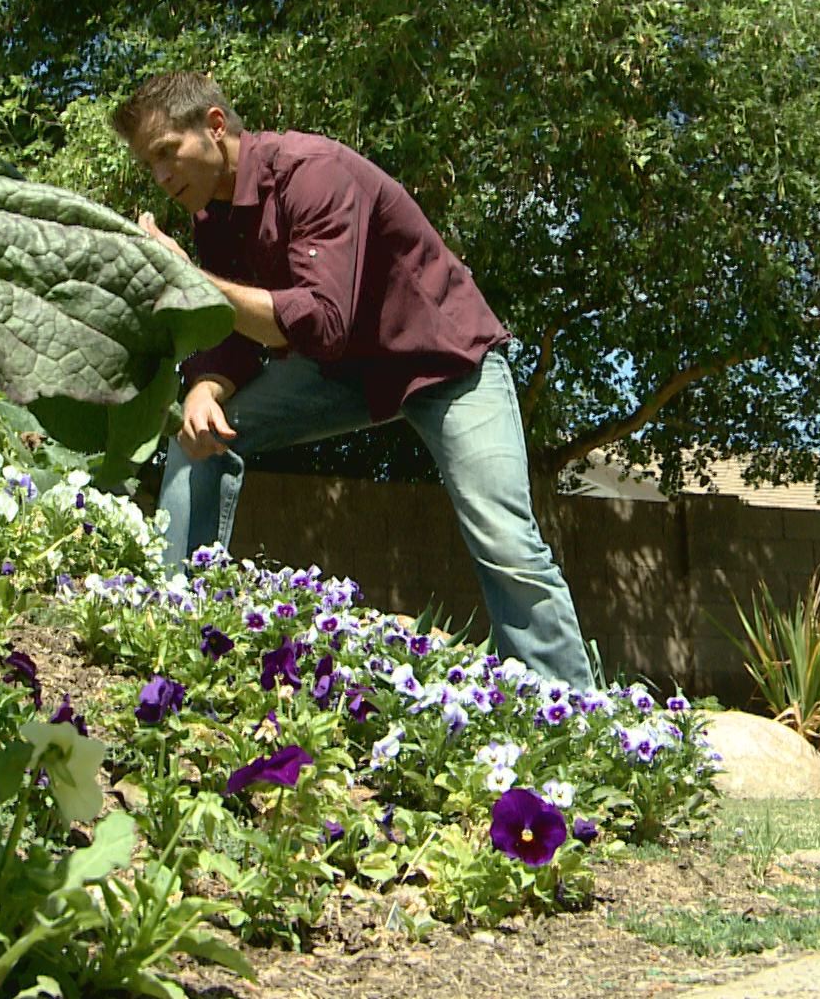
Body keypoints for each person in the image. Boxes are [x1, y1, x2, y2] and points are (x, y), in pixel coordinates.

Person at [112, 71, 595, 690]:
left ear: (212, 127)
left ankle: (570, 712)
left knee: (505, 540)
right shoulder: (215, 218)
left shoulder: (314, 173)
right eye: (147, 164)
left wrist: (192, 284)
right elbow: (236, 331)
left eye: (164, 153)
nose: (159, 176)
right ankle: (175, 636)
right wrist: (205, 384)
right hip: (346, 375)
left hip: (447, 364)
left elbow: (322, 322)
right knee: (195, 438)